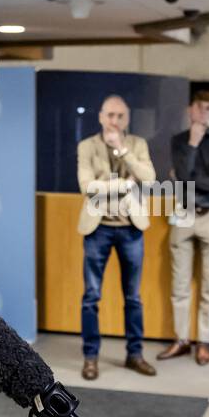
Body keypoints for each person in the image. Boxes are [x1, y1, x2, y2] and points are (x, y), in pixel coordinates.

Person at [77, 94, 157, 380]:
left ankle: (135, 355)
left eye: (120, 116)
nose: (114, 121)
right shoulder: (87, 146)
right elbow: (87, 187)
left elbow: (148, 179)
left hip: (131, 229)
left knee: (133, 297)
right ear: (100, 116)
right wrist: (125, 184)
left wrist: (122, 150)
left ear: (127, 118)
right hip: (97, 229)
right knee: (91, 297)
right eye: (109, 115)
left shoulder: (137, 145)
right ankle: (90, 358)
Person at [159, 90, 209, 366]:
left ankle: (204, 341)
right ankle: (181, 340)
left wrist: (185, 177)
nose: (206, 113)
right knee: (180, 284)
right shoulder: (179, 141)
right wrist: (192, 144)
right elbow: (181, 178)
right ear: (191, 109)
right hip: (184, 214)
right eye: (201, 108)